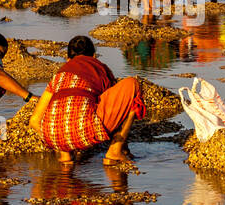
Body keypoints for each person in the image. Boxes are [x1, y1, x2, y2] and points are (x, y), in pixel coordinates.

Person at [29, 35, 144, 165]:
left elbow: (34, 121)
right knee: (133, 85)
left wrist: (59, 139)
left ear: (68, 59)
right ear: (94, 56)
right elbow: (117, 110)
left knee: (62, 104)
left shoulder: (58, 76)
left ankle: (66, 157)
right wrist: (125, 147)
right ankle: (115, 150)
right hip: (85, 130)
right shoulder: (99, 67)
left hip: (52, 138)